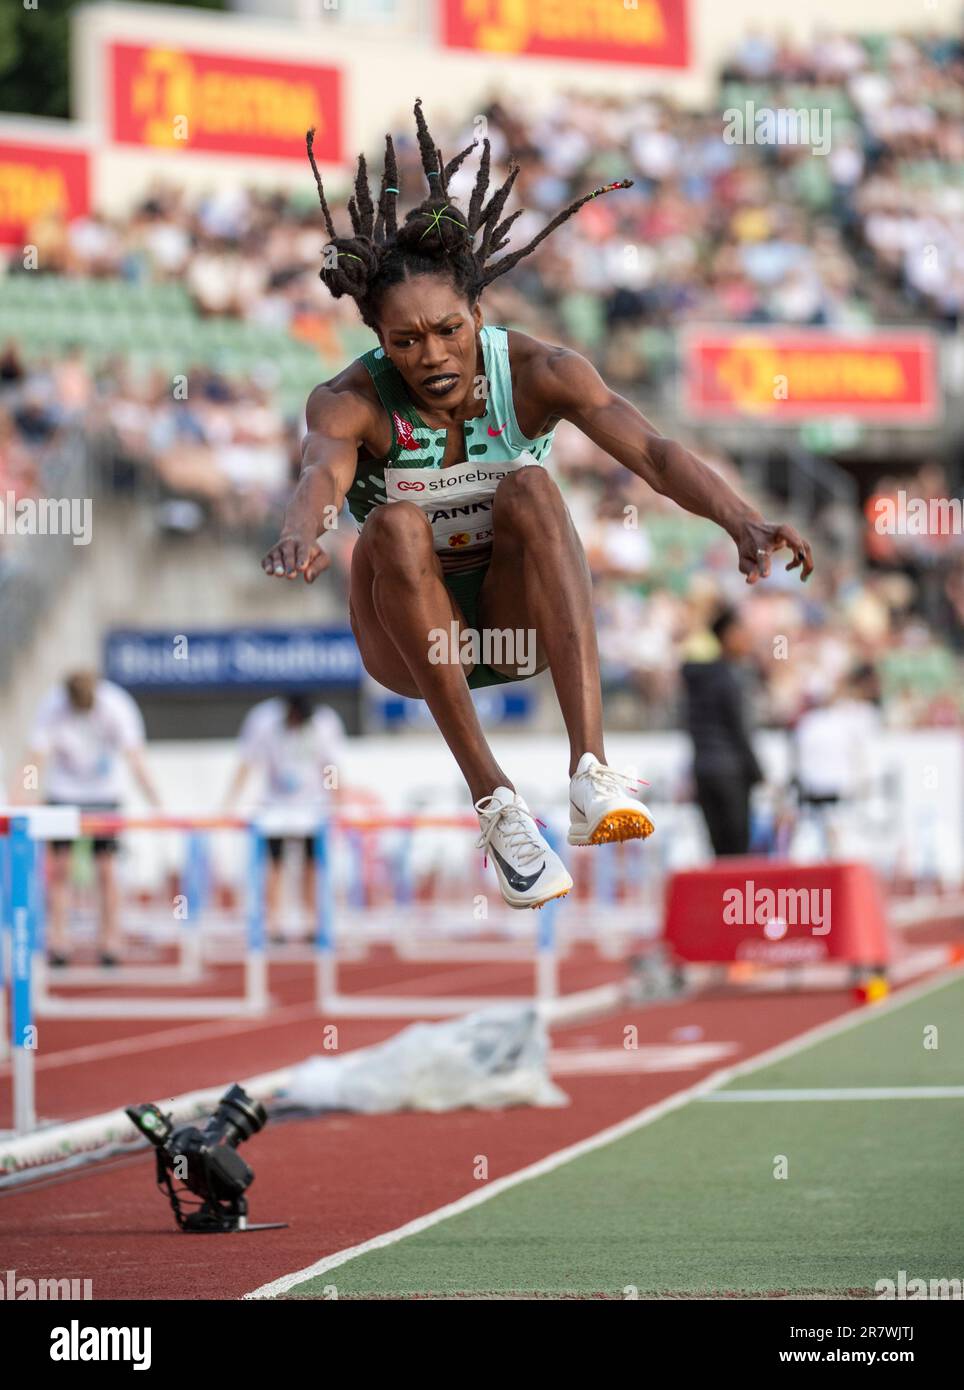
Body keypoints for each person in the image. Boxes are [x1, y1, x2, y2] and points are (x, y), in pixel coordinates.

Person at [262, 99, 813, 909]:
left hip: (517, 623)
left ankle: (590, 773)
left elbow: (654, 452)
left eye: (448, 330)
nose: (433, 356)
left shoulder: (538, 371)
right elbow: (321, 469)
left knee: (530, 484)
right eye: (405, 342)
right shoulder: (349, 399)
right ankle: (497, 806)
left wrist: (740, 518)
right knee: (395, 521)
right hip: (413, 646)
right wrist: (297, 530)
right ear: (378, 339)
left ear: (477, 314)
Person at [19, 669, 161, 965]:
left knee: (107, 870)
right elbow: (35, 758)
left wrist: (156, 803)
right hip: (63, 793)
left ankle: (110, 941)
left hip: (104, 796)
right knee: (59, 869)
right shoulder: (52, 706)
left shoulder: (118, 706)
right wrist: (23, 795)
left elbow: (135, 757)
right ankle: (58, 941)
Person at [222, 693, 346, 941]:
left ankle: (313, 922)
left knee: (312, 863)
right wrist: (230, 803)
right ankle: (273, 923)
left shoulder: (324, 723)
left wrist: (337, 804)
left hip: (313, 804)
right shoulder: (263, 720)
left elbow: (331, 767)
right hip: (275, 804)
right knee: (273, 863)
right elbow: (246, 761)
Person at [680, 607, 764, 857]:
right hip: (731, 772)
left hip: (704, 769)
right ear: (727, 636)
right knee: (737, 849)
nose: (747, 639)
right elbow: (739, 729)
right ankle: (735, 897)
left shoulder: (696, 680)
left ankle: (720, 897)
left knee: (718, 851)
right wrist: (758, 771)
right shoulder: (731, 677)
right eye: (741, 632)